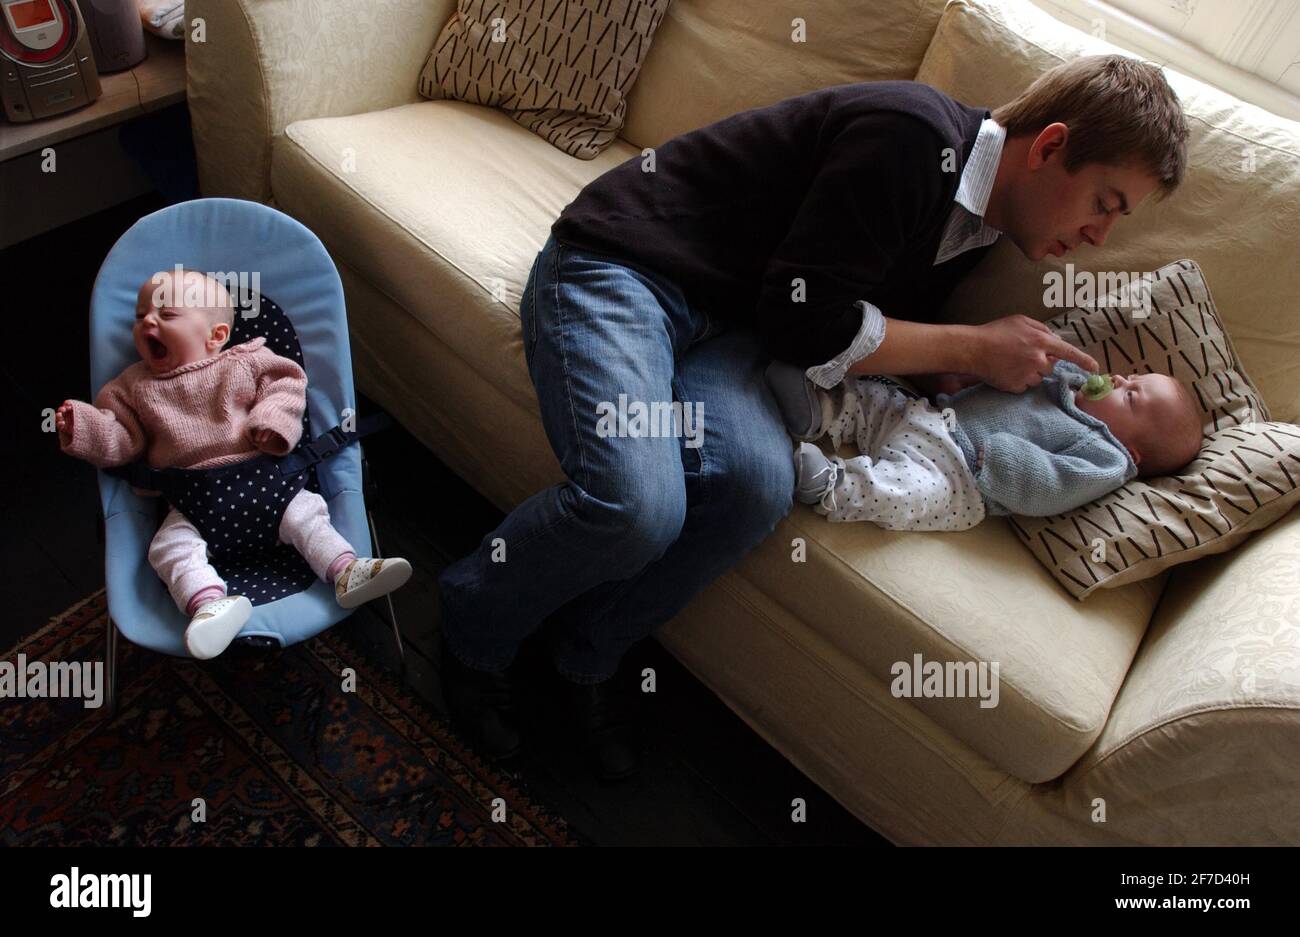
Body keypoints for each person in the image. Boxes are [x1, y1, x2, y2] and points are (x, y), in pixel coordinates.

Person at [437, 55, 1190, 780]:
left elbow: (846, 315)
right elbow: (807, 319)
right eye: (1106, 204)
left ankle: (586, 654)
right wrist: (970, 344)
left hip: (737, 329)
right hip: (629, 268)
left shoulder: (982, 226)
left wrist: (942, 363)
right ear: (1052, 146)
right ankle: (472, 629)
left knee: (754, 488)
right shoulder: (915, 138)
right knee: (638, 504)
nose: (1100, 239)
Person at [56, 269, 411, 659]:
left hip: (270, 489)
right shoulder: (132, 388)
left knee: (308, 517)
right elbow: (121, 443)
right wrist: (84, 428)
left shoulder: (244, 361)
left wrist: (273, 423)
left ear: (217, 336)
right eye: (140, 317)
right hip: (193, 506)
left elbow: (288, 384)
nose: (148, 322)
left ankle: (345, 571)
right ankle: (208, 605)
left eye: (166, 314)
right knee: (169, 547)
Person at [767, 359, 1203, 527]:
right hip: (934, 420)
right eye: (1131, 377)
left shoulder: (1106, 458)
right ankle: (822, 409)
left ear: (1133, 451)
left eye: (1131, 395)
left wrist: (998, 458)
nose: (1120, 380)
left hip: (963, 476)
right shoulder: (1064, 386)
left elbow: (1052, 484)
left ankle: (836, 486)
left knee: (909, 493)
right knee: (876, 399)